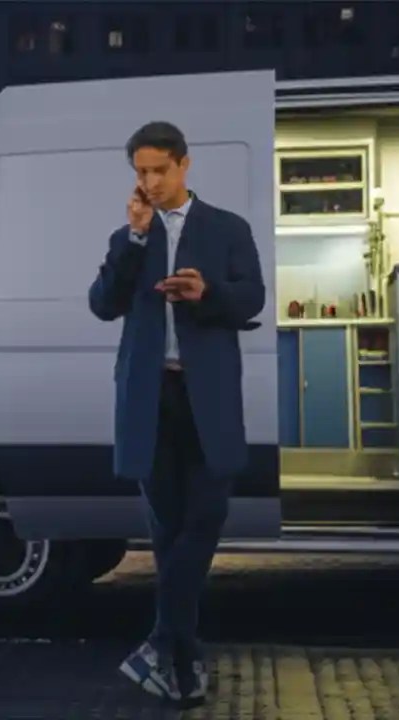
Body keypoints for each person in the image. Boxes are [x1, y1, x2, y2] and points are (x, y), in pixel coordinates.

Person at [88, 121, 265, 707]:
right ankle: (182, 666)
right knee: (167, 530)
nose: (150, 181)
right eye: (141, 171)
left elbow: (254, 298)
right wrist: (135, 241)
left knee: (205, 515)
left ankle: (163, 642)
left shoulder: (227, 229)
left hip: (207, 394)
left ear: (185, 165)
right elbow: (103, 304)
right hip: (148, 396)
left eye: (160, 169)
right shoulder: (130, 234)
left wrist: (207, 293)